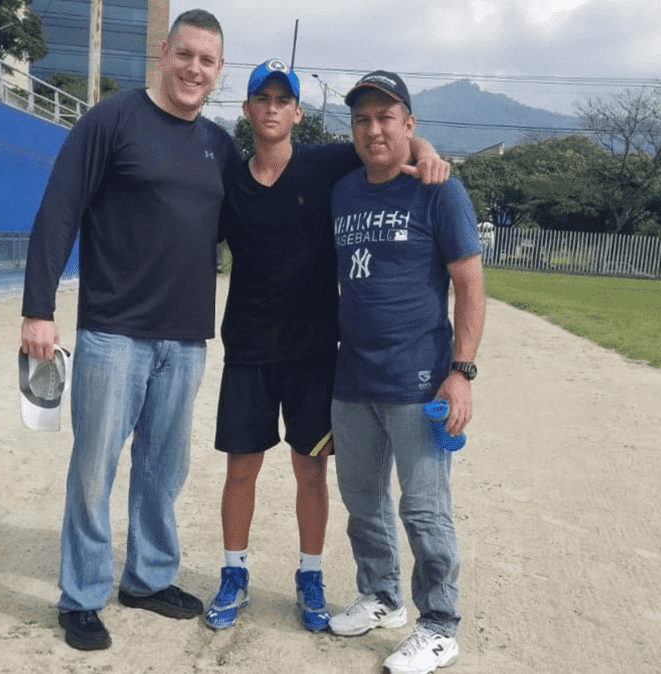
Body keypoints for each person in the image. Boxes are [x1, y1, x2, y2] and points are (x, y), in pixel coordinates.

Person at [204, 60, 451, 633]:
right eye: (259, 99)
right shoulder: (230, 180)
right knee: (241, 469)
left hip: (315, 352)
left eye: (281, 100)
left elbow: (392, 140)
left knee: (309, 471)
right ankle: (233, 572)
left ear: (296, 112)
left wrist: (430, 150)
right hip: (248, 352)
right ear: (246, 111)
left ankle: (310, 576)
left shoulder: (324, 164)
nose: (270, 108)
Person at [20, 10, 238, 651]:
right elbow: (58, 210)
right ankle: (82, 595)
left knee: (163, 470)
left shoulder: (219, 146)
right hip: (113, 335)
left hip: (186, 340)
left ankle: (146, 578)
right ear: (164, 51)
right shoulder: (110, 121)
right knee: (94, 470)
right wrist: (38, 309)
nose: (195, 69)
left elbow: (261, 206)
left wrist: (417, 154)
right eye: (186, 54)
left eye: (208, 60)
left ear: (218, 70)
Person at [327, 71, 485, 674]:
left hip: (418, 381)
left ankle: (440, 624)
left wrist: (461, 372)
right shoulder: (343, 191)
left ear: (410, 124)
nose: (373, 129)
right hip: (354, 378)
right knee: (363, 501)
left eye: (386, 118)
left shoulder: (439, 190)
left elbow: (470, 284)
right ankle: (383, 595)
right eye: (362, 119)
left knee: (423, 510)